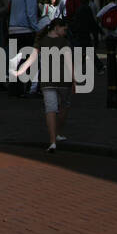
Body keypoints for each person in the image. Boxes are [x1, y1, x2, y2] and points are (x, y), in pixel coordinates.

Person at [37, 17, 77, 153]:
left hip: (47, 80)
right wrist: (74, 79)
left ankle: (52, 140)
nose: (65, 32)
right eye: (64, 29)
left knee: (50, 109)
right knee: (64, 105)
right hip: (62, 80)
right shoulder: (64, 42)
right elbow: (68, 62)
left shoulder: (41, 41)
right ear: (57, 28)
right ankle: (57, 133)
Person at [8, 0, 40, 96]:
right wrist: (37, 29)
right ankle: (28, 88)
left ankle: (15, 89)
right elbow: (31, 13)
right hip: (24, 30)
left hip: (13, 29)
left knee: (15, 60)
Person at [67, 0, 104, 73]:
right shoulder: (86, 8)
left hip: (80, 33)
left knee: (82, 51)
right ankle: (99, 66)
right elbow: (91, 21)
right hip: (83, 34)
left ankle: (97, 66)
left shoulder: (79, 9)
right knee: (86, 51)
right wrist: (99, 31)